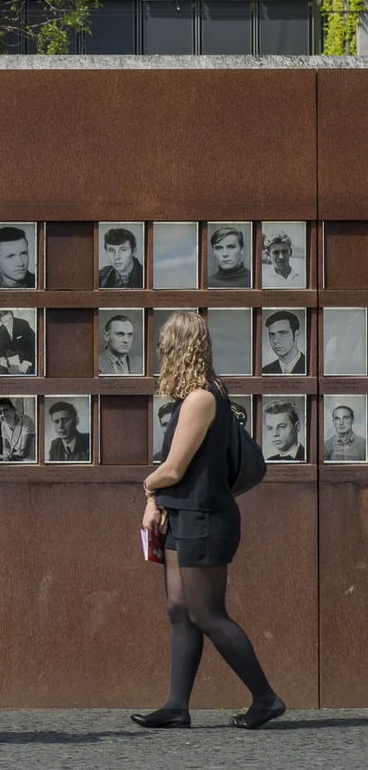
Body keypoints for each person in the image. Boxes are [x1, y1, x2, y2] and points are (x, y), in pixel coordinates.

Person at [137, 310, 285, 731]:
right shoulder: (194, 396)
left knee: (207, 613)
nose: (161, 352)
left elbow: (173, 468)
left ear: (181, 347)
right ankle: (176, 707)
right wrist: (159, 500)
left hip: (204, 518)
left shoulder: (202, 397)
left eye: (166, 345)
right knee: (179, 608)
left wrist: (148, 488)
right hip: (183, 515)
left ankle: (266, 698)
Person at [0, 397, 35, 462]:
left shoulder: (27, 421)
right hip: (15, 459)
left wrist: (10, 455)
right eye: (0, 413)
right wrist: (7, 455)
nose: (3, 415)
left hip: (31, 459)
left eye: (5, 410)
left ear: (14, 409)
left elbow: (24, 452)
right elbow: (6, 447)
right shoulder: (3, 425)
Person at [0, 309, 34, 375]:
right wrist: (1, 357)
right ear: (1, 322)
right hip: (12, 348)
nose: (10, 323)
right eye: (5, 321)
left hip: (25, 350)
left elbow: (31, 343)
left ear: (12, 316)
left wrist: (26, 361)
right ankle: (4, 375)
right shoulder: (0, 330)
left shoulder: (23, 324)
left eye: (10, 318)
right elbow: (0, 345)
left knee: (26, 372)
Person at [262, 310, 306, 375]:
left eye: (282, 333)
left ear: (296, 335)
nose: (275, 340)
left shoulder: (311, 366)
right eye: (272, 335)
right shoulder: (265, 371)